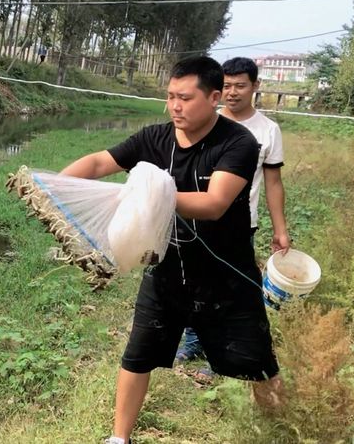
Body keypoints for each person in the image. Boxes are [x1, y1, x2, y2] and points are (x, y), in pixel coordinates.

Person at [59, 56, 283, 444]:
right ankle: (119, 438)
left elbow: (215, 203)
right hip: (166, 268)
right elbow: (100, 162)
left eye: (185, 98)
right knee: (138, 353)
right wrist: (55, 185)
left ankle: (283, 429)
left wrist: (151, 194)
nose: (175, 106)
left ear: (214, 98)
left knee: (258, 361)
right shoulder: (154, 138)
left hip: (227, 275)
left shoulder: (239, 143)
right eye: (169, 97)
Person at [175, 56, 292, 367]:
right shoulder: (202, 121)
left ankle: (221, 353)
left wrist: (280, 229)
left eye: (241, 85)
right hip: (192, 219)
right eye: (226, 86)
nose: (233, 92)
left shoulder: (267, 131)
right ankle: (193, 341)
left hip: (238, 225)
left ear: (255, 86)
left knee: (229, 288)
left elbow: (274, 183)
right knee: (191, 282)